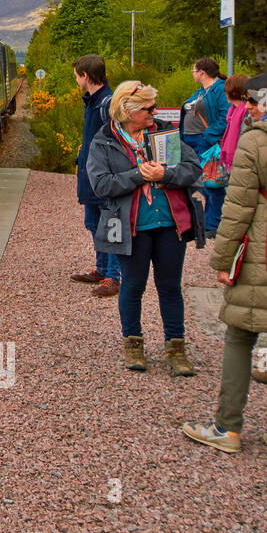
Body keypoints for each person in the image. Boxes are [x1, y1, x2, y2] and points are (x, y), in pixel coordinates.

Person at [183, 68, 267, 461]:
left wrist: (223, 261)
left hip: (265, 254)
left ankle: (227, 428)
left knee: (240, 336)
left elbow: (238, 211)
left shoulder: (256, 143)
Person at [87, 80, 204, 375]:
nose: (154, 111)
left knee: (169, 288)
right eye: (148, 107)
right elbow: (101, 185)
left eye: (153, 106)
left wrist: (166, 173)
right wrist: (139, 175)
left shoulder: (166, 132)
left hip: (169, 224)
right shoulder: (103, 141)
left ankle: (176, 349)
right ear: (127, 110)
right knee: (133, 285)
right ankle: (133, 345)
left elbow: (192, 170)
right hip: (130, 228)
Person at [70, 55, 120, 297]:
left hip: (104, 177)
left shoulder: (107, 104)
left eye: (77, 76)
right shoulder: (93, 102)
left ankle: (114, 275)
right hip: (90, 175)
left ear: (86, 76)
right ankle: (101, 269)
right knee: (93, 223)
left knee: (110, 224)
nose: (76, 80)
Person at [180, 58, 229, 236]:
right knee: (199, 181)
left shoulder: (220, 89)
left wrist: (208, 137)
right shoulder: (203, 91)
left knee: (211, 182)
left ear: (202, 72)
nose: (193, 74)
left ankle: (213, 223)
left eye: (194, 71)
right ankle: (210, 220)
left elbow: (225, 116)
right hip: (191, 141)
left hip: (204, 141)